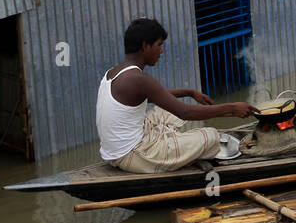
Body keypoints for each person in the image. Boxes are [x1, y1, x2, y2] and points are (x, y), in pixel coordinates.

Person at [98, 18, 256, 174]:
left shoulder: (113, 72)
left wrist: (189, 92)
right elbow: (185, 112)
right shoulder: (139, 80)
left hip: (116, 150)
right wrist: (232, 108)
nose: (161, 51)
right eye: (159, 45)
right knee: (211, 137)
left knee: (166, 112)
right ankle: (176, 152)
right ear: (145, 46)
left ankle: (172, 143)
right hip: (132, 155)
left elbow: (157, 97)